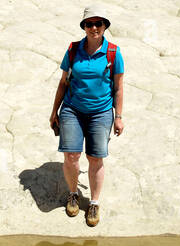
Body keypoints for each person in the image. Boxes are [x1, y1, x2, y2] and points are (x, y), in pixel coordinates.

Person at [49, 7, 125, 228]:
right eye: (89, 24)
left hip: (101, 112)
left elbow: (119, 88)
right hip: (72, 109)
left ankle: (93, 202)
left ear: (105, 26)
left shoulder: (113, 53)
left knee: (95, 158)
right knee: (71, 156)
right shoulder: (73, 50)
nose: (93, 28)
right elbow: (63, 82)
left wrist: (118, 116)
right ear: (83, 27)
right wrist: (54, 111)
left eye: (98, 24)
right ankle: (73, 194)